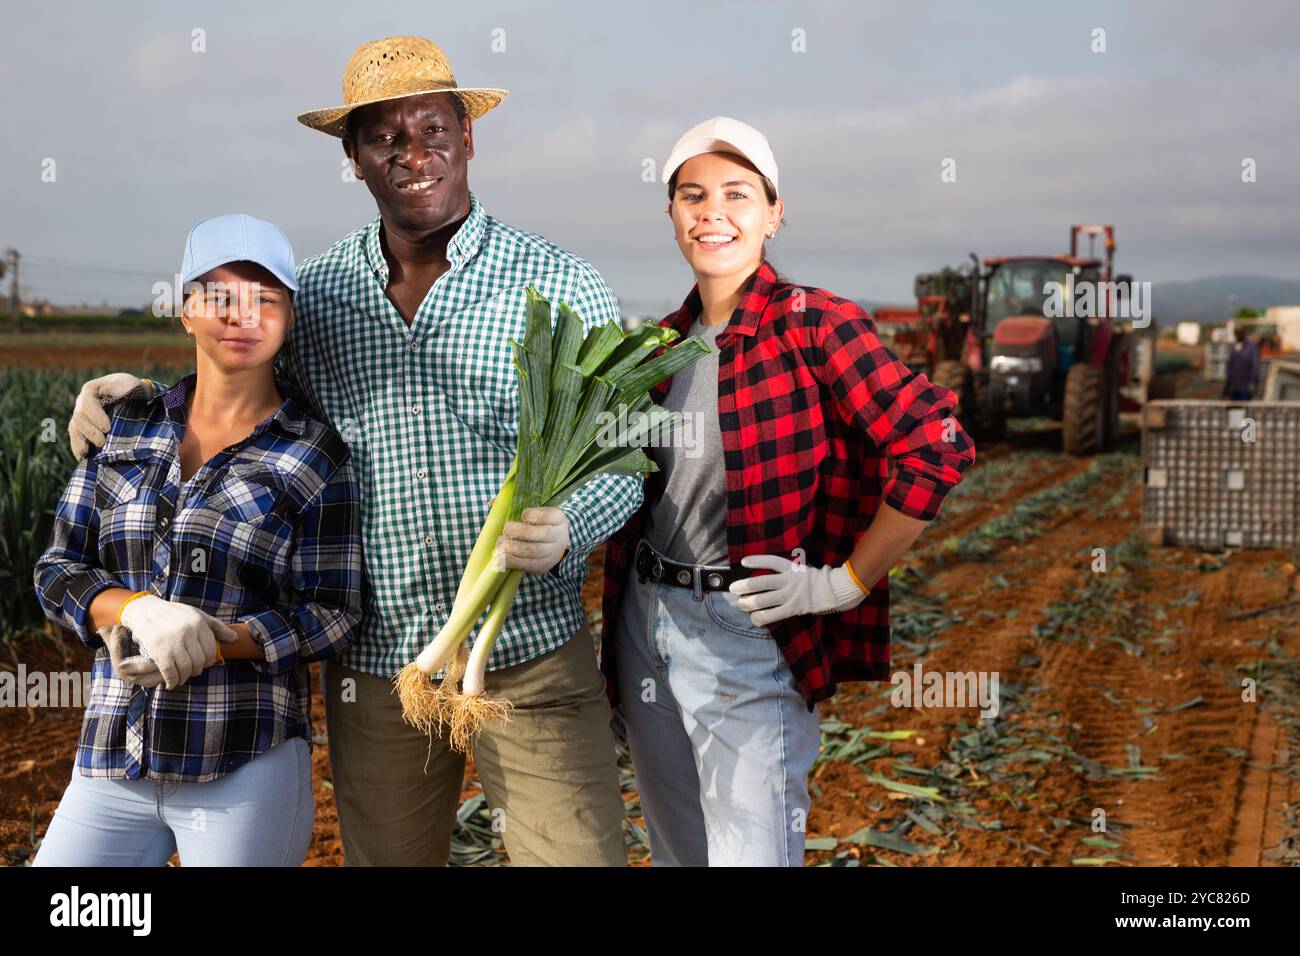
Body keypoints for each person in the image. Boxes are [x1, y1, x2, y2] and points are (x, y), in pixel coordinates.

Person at [65, 36, 639, 866]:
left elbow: (620, 451)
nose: (414, 154)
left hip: (529, 658)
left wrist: (571, 525)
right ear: (353, 157)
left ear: (468, 137)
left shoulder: (559, 281)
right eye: (384, 138)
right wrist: (144, 399)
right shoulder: (322, 291)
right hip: (375, 666)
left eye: (433, 128)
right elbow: (244, 396)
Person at [599, 117, 977, 866]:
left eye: (738, 194)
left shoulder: (814, 323)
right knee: (681, 855)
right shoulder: (660, 347)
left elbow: (937, 448)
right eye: (692, 195)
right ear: (672, 215)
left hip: (747, 630)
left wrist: (843, 583)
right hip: (647, 624)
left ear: (774, 213)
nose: (713, 212)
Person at [34, 215, 362, 866]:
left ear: (289, 317)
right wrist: (131, 609)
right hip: (114, 755)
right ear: (186, 310)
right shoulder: (125, 426)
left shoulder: (314, 453)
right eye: (220, 296)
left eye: (265, 299)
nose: (243, 315)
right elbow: (57, 570)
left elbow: (335, 613)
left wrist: (218, 639)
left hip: (243, 762)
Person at [1223, 327, 1259, 401]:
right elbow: (1230, 364)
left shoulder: (1251, 346)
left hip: (1246, 385)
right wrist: (1228, 383)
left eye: (1239, 333)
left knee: (1244, 408)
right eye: (1236, 334)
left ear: (1243, 334)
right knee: (1234, 409)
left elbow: (1255, 365)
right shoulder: (1234, 346)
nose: (1237, 336)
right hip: (1234, 385)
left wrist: (1252, 382)